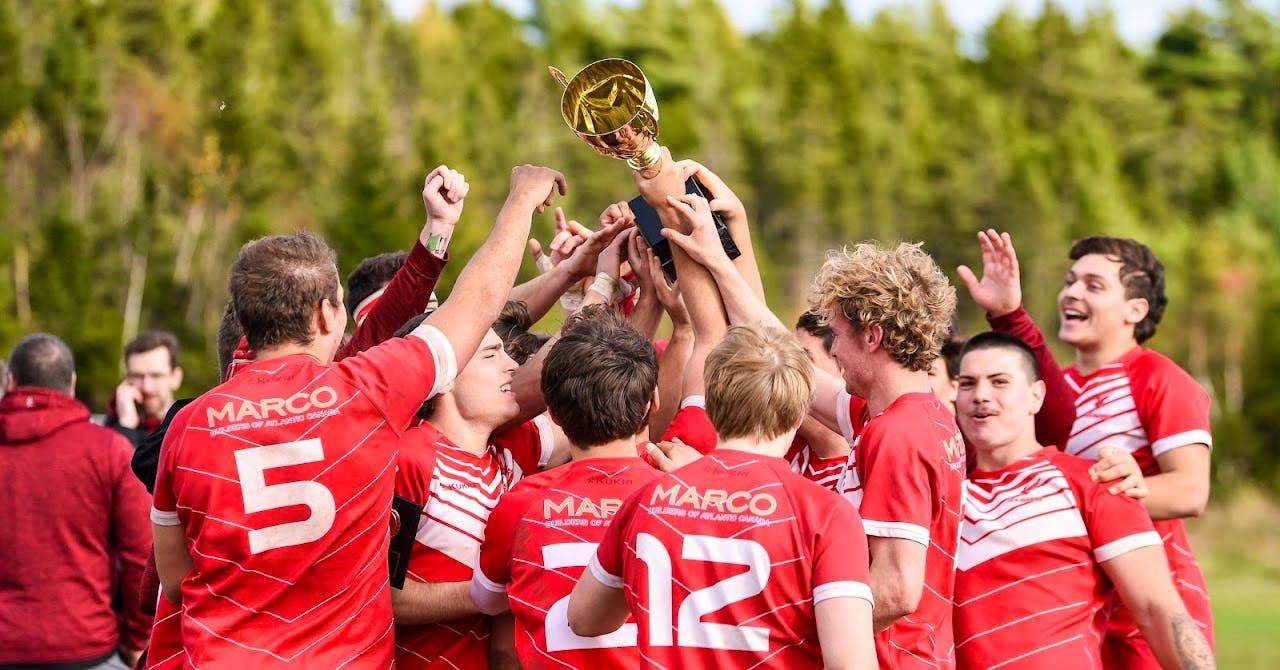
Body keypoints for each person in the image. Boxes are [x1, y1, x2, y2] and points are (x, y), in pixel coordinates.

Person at [150, 165, 564, 667]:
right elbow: (476, 303)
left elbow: (175, 582)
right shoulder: (365, 389)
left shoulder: (189, 424)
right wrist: (519, 201)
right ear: (328, 316)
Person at [390, 207, 635, 670]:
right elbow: (378, 597)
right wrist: (494, 591)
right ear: (443, 376)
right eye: (489, 355)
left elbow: (602, 393)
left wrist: (626, 289)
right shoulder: (408, 457)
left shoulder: (511, 451)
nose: (510, 366)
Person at [958, 230, 1214, 666]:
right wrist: (1006, 313)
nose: (1071, 293)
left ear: (1136, 309)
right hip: (1078, 599)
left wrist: (1110, 492)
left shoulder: (1159, 379)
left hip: (1146, 606)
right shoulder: (1060, 389)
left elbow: (1191, 492)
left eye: (1093, 286)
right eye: (1070, 280)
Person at [567, 324, 877, 669]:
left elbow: (585, 618)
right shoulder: (825, 514)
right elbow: (852, 663)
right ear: (798, 412)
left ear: (711, 407)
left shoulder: (648, 498)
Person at [470, 307, 663, 668]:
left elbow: (487, 601)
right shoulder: (676, 500)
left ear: (554, 415)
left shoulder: (520, 503)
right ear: (652, 401)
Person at [0, 334, 151, 669]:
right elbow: (141, 555)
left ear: (11, 382)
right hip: (86, 645)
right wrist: (137, 638)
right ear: (72, 383)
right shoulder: (109, 450)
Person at [108, 330, 184, 448]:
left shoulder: (188, 429)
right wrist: (126, 424)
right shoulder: (111, 428)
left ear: (176, 378)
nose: (147, 387)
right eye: (137, 376)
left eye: (156, 376)